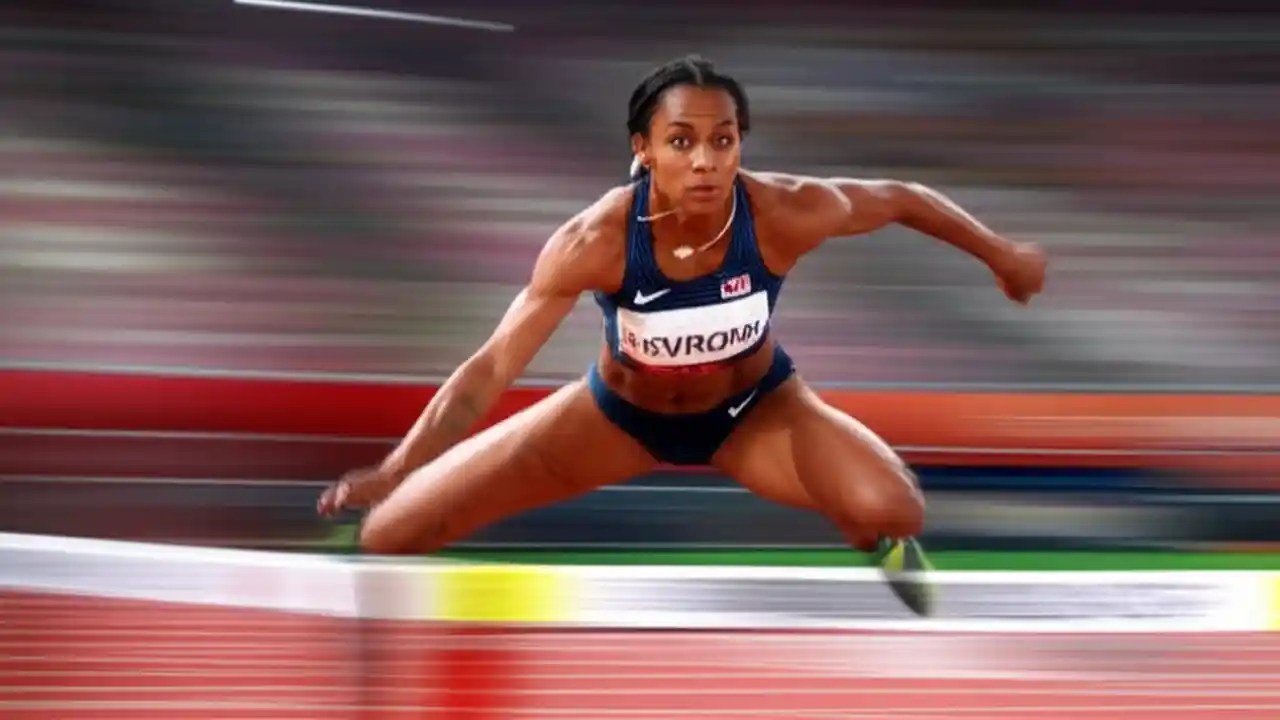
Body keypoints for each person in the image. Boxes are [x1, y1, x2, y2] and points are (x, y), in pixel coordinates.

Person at [317, 55, 1047, 617]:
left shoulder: (784, 212)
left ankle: (876, 546)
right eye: (681, 141)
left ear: (739, 146)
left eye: (722, 140)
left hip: (756, 416)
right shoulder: (595, 240)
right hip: (614, 420)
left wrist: (1001, 255)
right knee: (389, 532)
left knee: (894, 509)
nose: (704, 161)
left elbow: (900, 200)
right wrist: (398, 465)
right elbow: (490, 367)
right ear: (645, 149)